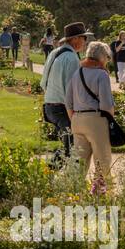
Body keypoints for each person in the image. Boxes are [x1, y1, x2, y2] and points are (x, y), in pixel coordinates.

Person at [65, 40, 116, 191]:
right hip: (96, 120)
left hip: (77, 119)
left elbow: (68, 102)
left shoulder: (77, 73)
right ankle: (99, 193)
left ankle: (73, 191)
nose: (108, 61)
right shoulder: (101, 74)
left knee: (79, 160)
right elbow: (107, 105)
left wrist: (74, 120)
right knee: (102, 160)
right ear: (102, 57)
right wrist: (111, 123)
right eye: (107, 57)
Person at [40, 22, 92, 158]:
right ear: (75, 39)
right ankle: (47, 173)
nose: (85, 42)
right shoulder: (72, 58)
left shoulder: (54, 52)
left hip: (49, 106)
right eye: (83, 38)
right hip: (62, 109)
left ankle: (64, 176)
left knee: (69, 148)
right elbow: (72, 90)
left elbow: (43, 82)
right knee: (70, 149)